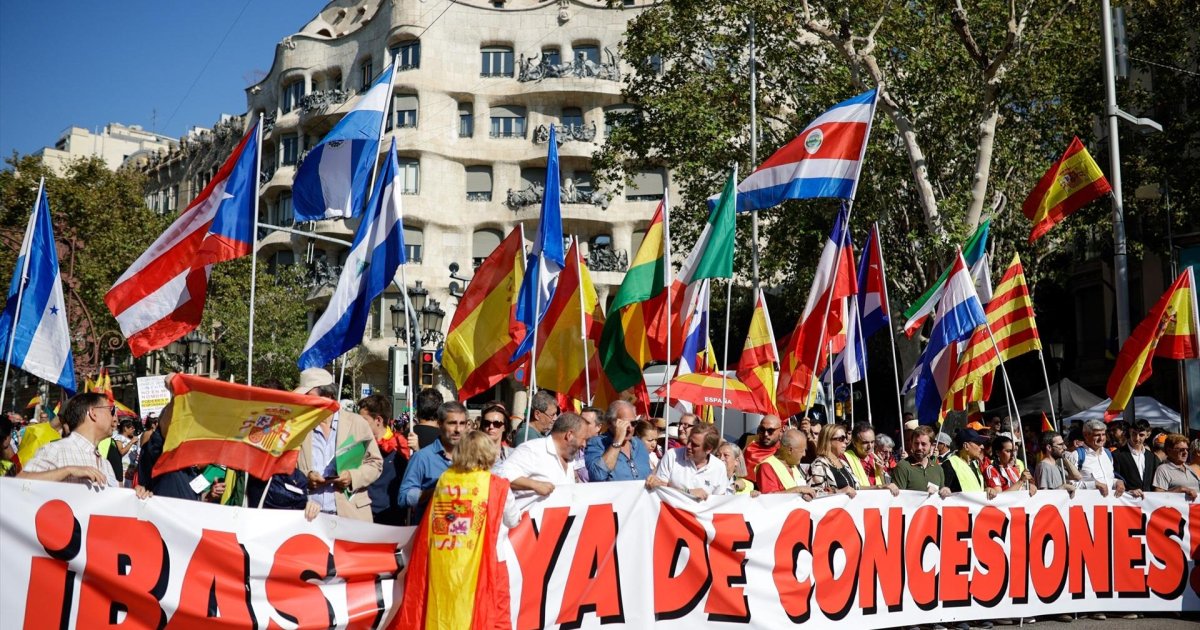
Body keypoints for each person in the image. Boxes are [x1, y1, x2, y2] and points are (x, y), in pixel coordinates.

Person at [397, 431, 518, 629]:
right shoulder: (496, 485)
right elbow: (513, 520)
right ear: (488, 454)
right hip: (488, 561)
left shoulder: (445, 480)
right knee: (493, 612)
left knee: (445, 609)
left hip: (445, 559)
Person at [19, 393, 150, 498]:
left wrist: (135, 495)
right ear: (93, 413)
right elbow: (18, 485)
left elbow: (115, 503)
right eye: (111, 410)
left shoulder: (105, 464)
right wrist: (67, 471)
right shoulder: (55, 450)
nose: (115, 419)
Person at [294, 368, 383, 522]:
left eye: (309, 397)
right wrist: (307, 477)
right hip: (309, 517)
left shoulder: (357, 423)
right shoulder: (298, 427)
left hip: (351, 517)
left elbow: (375, 463)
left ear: (328, 396)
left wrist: (352, 477)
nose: (305, 402)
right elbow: (288, 468)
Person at [398, 401, 471, 518]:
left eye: (462, 423)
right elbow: (403, 497)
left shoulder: (472, 457)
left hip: (463, 531)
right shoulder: (422, 457)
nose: (458, 429)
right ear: (440, 424)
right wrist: (436, 491)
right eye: (452, 423)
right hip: (431, 531)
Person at [501, 412, 588, 498]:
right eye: (583, 439)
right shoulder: (532, 450)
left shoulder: (570, 458)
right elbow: (501, 478)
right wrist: (535, 485)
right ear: (569, 435)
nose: (584, 444)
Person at [358, 393, 407, 526]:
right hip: (363, 514)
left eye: (364, 420)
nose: (359, 424)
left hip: (390, 517)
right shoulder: (358, 444)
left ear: (378, 420)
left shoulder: (400, 446)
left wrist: (417, 449)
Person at [645, 424, 731, 500]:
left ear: (708, 449)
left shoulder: (719, 467)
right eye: (689, 440)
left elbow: (719, 502)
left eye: (694, 445)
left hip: (699, 517)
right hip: (672, 515)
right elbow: (659, 489)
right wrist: (687, 492)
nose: (688, 446)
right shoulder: (672, 455)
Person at [585, 400, 650, 482]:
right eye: (623, 424)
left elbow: (647, 473)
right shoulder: (597, 443)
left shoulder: (639, 444)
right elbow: (597, 476)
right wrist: (617, 441)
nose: (630, 428)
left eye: (633, 423)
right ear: (609, 423)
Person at [1074, 419, 1130, 498]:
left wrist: (1118, 482)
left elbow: (1108, 479)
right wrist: (1093, 485)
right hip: (1086, 506)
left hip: (1107, 506)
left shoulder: (1107, 454)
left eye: (1103, 434)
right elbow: (1069, 484)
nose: (1101, 438)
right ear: (1086, 435)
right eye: (1097, 435)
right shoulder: (1076, 455)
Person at [755, 428, 816, 499]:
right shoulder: (767, 466)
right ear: (790, 450)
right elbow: (769, 499)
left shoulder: (793, 465)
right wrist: (797, 490)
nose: (804, 454)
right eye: (802, 451)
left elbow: (803, 489)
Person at [894, 425, 950, 498]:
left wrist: (945, 491)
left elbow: (942, 497)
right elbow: (898, 498)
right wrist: (923, 495)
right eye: (916, 443)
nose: (919, 447)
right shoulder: (903, 466)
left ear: (931, 445)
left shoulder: (938, 469)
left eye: (923, 444)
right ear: (911, 443)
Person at [808, 425, 859, 497]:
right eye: (842, 438)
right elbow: (812, 493)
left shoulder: (844, 463)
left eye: (846, 438)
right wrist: (839, 491)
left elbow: (856, 489)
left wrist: (875, 487)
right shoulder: (819, 465)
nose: (846, 441)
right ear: (828, 440)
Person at [942, 429, 994, 498]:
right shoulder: (948, 465)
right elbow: (943, 493)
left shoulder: (975, 464)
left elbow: (977, 489)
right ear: (966, 446)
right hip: (960, 508)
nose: (982, 447)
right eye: (978, 443)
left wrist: (987, 490)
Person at [1113, 419, 1159, 493]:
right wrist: (1128, 492)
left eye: (1141, 435)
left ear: (1148, 435)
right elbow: (1114, 479)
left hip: (1147, 501)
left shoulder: (1152, 457)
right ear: (1130, 432)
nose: (1137, 438)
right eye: (1134, 434)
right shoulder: (1117, 454)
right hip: (1126, 501)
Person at [1152, 433, 1200, 500]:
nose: (1185, 452)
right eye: (1181, 450)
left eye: (1187, 449)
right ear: (1169, 450)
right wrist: (1179, 489)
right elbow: (1157, 498)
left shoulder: (1190, 469)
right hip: (1176, 510)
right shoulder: (1163, 469)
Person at [742, 414, 782, 485]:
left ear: (780, 431)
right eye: (762, 430)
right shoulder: (750, 449)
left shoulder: (784, 450)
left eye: (770, 430)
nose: (766, 434)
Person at [478, 403, 513, 474]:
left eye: (497, 423)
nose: (491, 427)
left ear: (505, 427)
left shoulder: (513, 454)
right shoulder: (473, 454)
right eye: (487, 423)